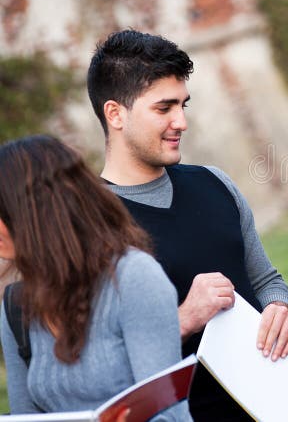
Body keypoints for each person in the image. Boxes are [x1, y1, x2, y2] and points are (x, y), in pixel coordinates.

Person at [86, 29, 288, 421]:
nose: (181, 121)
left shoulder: (216, 183)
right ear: (115, 114)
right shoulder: (89, 224)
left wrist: (279, 307)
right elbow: (96, 362)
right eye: (164, 108)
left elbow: (268, 281)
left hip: (281, 409)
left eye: (184, 105)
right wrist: (185, 317)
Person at [0, 135, 190, 419]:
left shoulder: (134, 278)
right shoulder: (16, 307)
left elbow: (169, 414)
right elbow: (24, 417)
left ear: (32, 214)